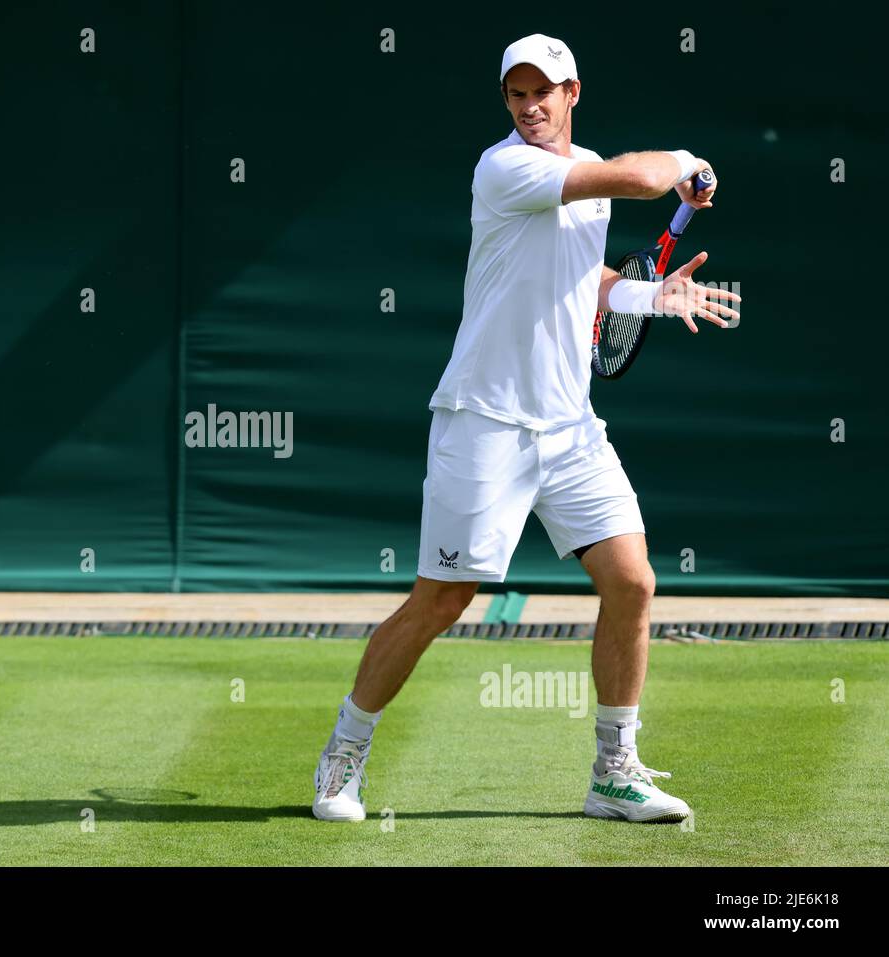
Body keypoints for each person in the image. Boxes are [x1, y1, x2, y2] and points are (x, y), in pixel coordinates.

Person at [312, 33, 741, 824]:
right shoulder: (505, 166)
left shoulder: (585, 176)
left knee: (633, 581)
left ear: (573, 92)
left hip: (570, 427)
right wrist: (686, 161)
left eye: (543, 91)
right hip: (485, 421)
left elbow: (589, 283)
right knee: (442, 599)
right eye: (516, 93)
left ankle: (614, 772)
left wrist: (651, 297)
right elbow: (650, 176)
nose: (530, 106)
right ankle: (344, 753)